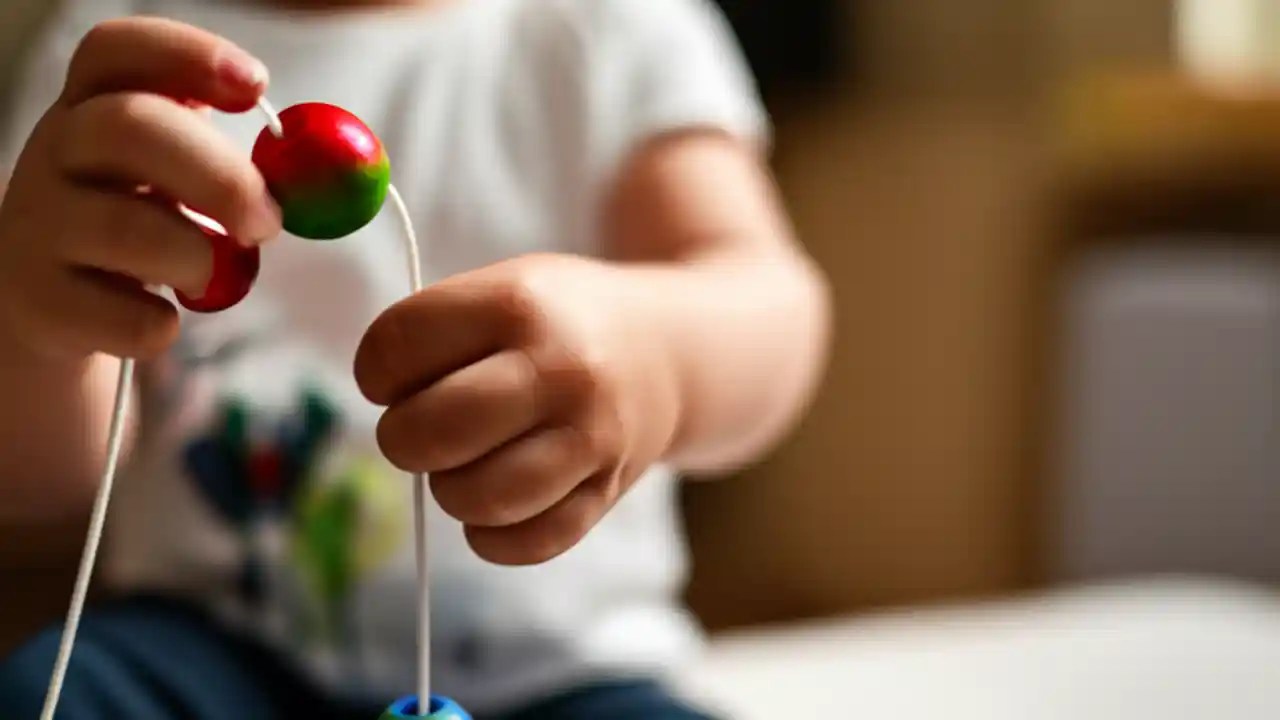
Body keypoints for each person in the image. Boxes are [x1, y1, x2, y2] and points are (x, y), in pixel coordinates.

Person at [0, 0, 831, 717]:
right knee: (52, 691)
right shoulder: (120, 53)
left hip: (558, 682)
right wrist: (33, 330)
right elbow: (43, 472)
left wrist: (658, 356)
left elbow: (768, 303)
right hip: (206, 654)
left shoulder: (609, 27)